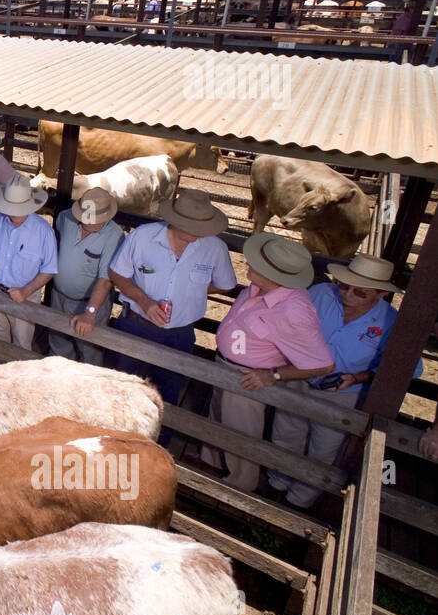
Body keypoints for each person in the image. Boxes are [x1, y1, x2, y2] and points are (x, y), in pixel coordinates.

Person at [267, 254, 423, 507]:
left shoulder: (392, 323)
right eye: (343, 285)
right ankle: (276, 484)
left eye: (360, 293)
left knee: (324, 449)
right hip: (297, 377)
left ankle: (299, 501)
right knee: (285, 432)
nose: (347, 294)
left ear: (380, 294)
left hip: (344, 393)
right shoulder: (320, 293)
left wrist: (358, 377)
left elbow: (410, 370)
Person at [200, 234, 334, 492]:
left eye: (256, 263)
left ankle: (239, 485)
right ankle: (212, 462)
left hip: (246, 378)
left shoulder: (294, 310)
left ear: (273, 275)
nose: (248, 263)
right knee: (218, 417)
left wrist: (272, 375)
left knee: (241, 433)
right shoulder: (259, 288)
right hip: (224, 365)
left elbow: (323, 364)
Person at [108, 189, 238, 408]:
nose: (197, 234)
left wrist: (192, 290)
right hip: (135, 325)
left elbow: (226, 285)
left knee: (167, 395)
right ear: (174, 220)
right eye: (191, 228)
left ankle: (160, 440)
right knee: (121, 388)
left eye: (202, 229)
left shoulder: (215, 247)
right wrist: (144, 301)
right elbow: (117, 273)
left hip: (180, 334)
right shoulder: (142, 236)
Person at [0, 175, 57, 353]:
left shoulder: (44, 231)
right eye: (11, 207)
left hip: (26, 295)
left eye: (20, 208)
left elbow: (49, 270)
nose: (14, 213)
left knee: (21, 346)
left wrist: (25, 292)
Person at [49, 187, 125, 365]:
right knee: (58, 342)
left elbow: (106, 280)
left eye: (93, 220)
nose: (86, 222)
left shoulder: (115, 236)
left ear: (107, 216)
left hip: (90, 303)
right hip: (58, 296)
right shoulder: (65, 218)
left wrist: (90, 313)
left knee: (90, 349)